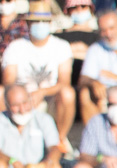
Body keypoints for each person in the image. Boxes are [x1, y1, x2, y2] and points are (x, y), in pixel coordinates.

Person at [2, 2, 73, 144]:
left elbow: (64, 82)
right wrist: (24, 97)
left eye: (44, 21)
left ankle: (59, 140)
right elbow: (8, 82)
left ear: (50, 23)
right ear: (28, 24)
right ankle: (6, 138)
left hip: (51, 98)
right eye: (36, 21)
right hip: (21, 98)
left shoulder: (62, 46)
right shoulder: (15, 47)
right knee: (0, 92)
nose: (40, 25)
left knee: (68, 93)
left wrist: (42, 92)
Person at [1, 79, 67, 168]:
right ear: (7, 105)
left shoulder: (44, 119)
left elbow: (55, 148)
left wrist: (48, 162)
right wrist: (11, 160)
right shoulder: (1, 120)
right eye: (15, 105)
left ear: (30, 100)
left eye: (25, 103)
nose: (22, 109)